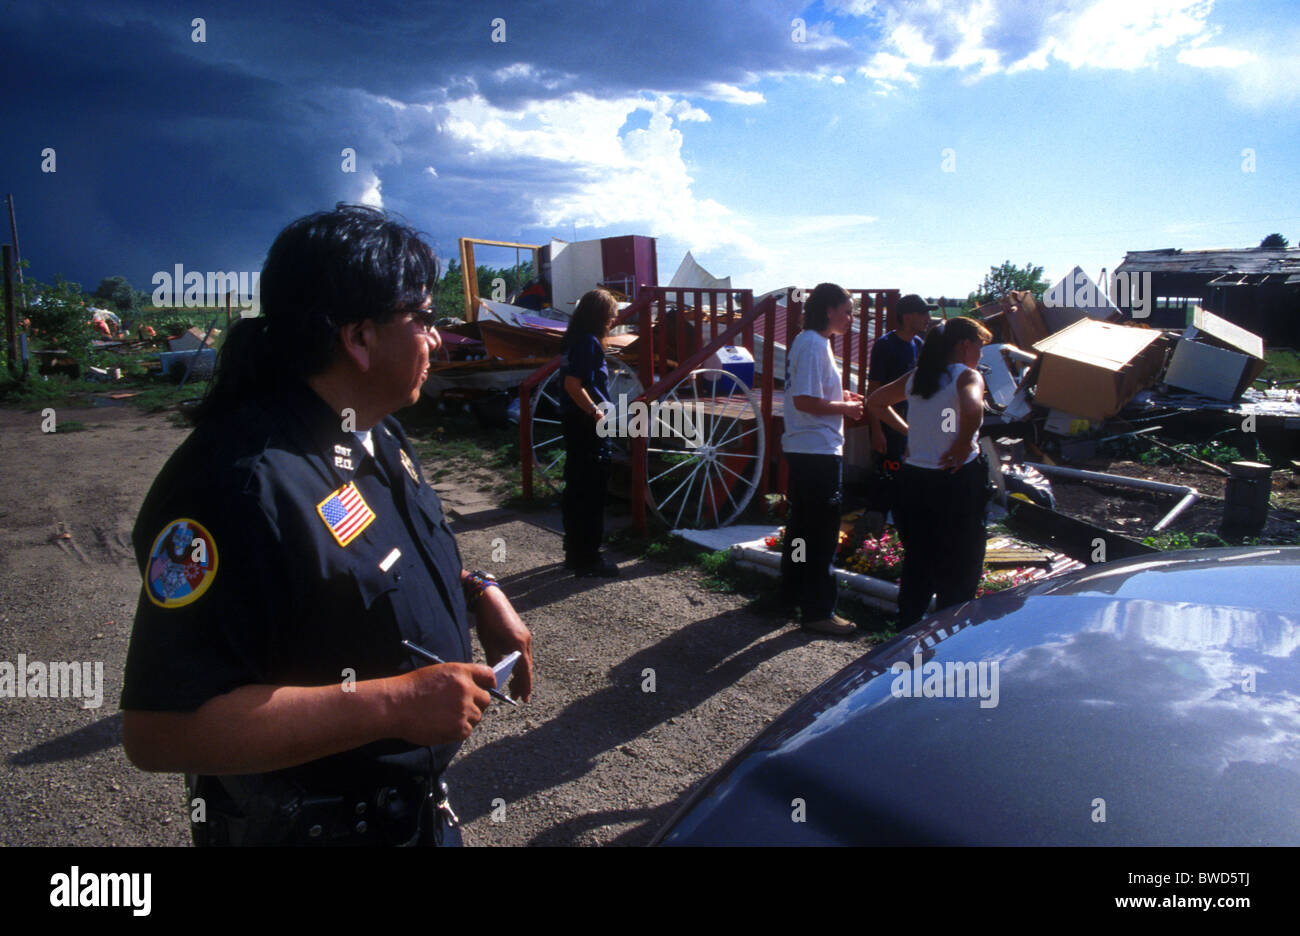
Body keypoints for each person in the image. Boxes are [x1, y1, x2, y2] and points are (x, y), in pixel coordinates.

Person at [120, 204, 534, 847]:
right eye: (423, 318)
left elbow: (381, 562)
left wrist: (476, 591)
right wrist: (394, 703)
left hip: (413, 817)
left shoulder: (376, 431)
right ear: (359, 338)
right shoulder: (237, 484)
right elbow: (160, 730)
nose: (436, 339)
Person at [866, 316, 994, 628]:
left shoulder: (918, 376)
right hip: (957, 479)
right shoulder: (967, 376)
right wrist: (963, 443)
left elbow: (876, 401)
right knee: (961, 561)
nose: (980, 354)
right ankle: (951, 632)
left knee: (919, 559)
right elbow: (974, 408)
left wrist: (910, 433)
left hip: (914, 480)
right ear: (964, 345)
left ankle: (907, 628)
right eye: (979, 346)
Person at [780, 283, 864, 636]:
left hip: (804, 447)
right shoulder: (815, 344)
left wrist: (838, 394)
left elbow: (810, 394)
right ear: (828, 310)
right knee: (821, 534)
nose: (850, 319)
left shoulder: (807, 341)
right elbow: (805, 401)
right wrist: (846, 407)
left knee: (801, 529)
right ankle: (818, 611)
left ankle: (788, 598)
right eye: (846, 311)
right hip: (817, 450)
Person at [558, 288, 621, 578]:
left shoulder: (573, 340)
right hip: (587, 423)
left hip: (573, 422)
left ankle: (574, 552)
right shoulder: (589, 343)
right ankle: (589, 558)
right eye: (611, 312)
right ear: (600, 316)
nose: (614, 318)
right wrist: (595, 411)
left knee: (576, 487)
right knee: (592, 491)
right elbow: (574, 384)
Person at [864, 293, 931, 535]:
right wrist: (877, 431)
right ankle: (872, 537)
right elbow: (873, 392)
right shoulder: (885, 346)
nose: (927, 318)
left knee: (908, 480)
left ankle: (900, 534)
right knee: (885, 480)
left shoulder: (919, 345)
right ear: (907, 316)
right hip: (888, 424)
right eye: (923, 313)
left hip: (911, 425)